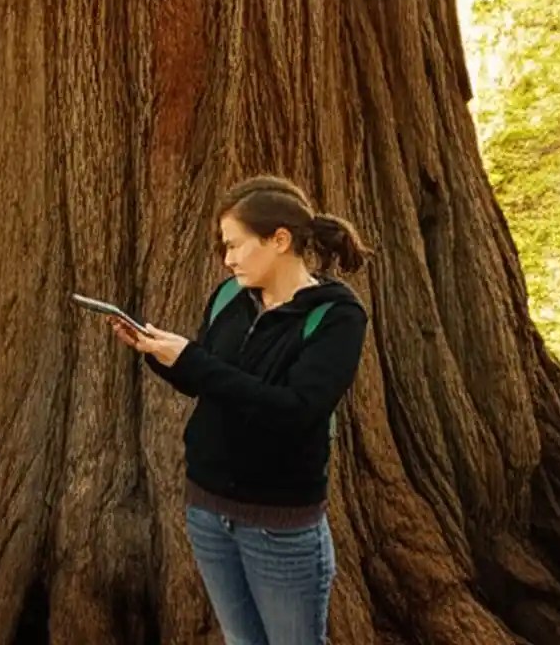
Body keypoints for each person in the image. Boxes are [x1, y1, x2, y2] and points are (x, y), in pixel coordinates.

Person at [111, 176, 371, 645]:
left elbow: (296, 410)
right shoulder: (230, 296)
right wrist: (157, 353)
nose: (227, 258)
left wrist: (193, 359)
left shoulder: (336, 316)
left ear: (280, 240)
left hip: (280, 526)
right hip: (208, 512)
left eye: (235, 245)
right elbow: (208, 384)